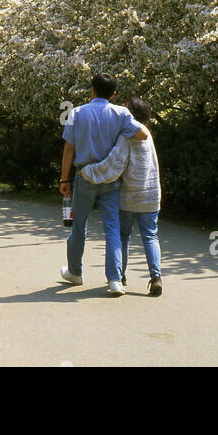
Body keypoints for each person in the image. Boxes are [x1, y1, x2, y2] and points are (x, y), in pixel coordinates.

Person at [59, 74, 150, 296]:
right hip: (110, 177)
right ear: (113, 94)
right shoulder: (121, 113)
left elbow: (69, 149)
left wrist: (64, 179)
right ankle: (115, 279)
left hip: (84, 175)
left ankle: (75, 272)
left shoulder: (77, 113)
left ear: (92, 90)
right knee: (112, 228)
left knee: (79, 226)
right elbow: (143, 134)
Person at [82, 97, 162, 296]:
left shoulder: (126, 137)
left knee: (123, 237)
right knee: (150, 236)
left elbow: (114, 165)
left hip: (129, 196)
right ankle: (156, 277)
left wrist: (87, 171)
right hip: (151, 194)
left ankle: (120, 276)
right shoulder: (147, 134)